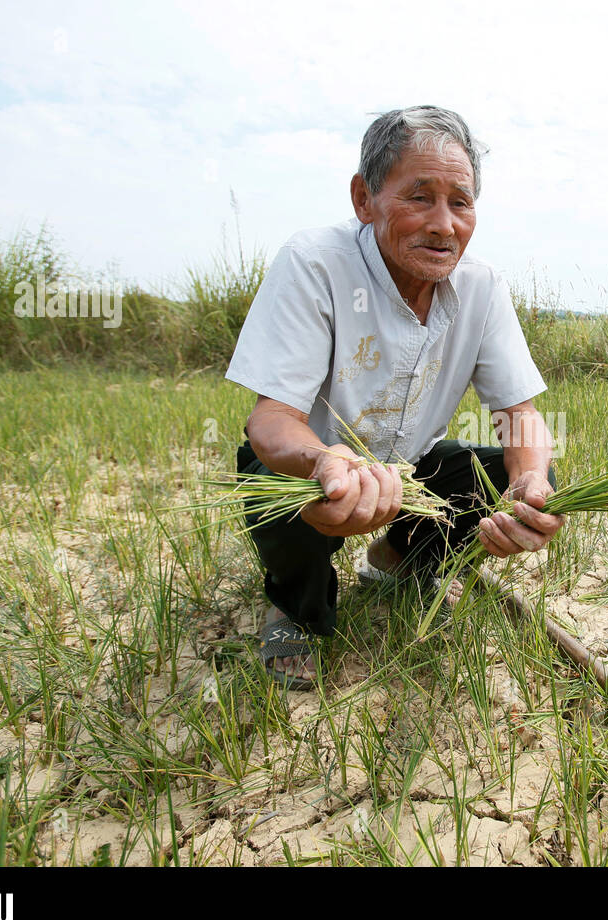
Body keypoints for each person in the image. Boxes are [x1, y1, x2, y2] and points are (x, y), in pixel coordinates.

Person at [224, 105, 563, 688]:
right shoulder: (314, 263)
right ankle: (295, 608)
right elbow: (272, 421)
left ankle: (399, 558)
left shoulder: (480, 286)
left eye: (460, 202)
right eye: (419, 197)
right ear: (364, 199)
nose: (443, 224)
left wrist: (529, 483)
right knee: (275, 487)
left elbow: (520, 416)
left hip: (408, 469)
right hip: (317, 470)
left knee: (511, 473)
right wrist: (326, 462)